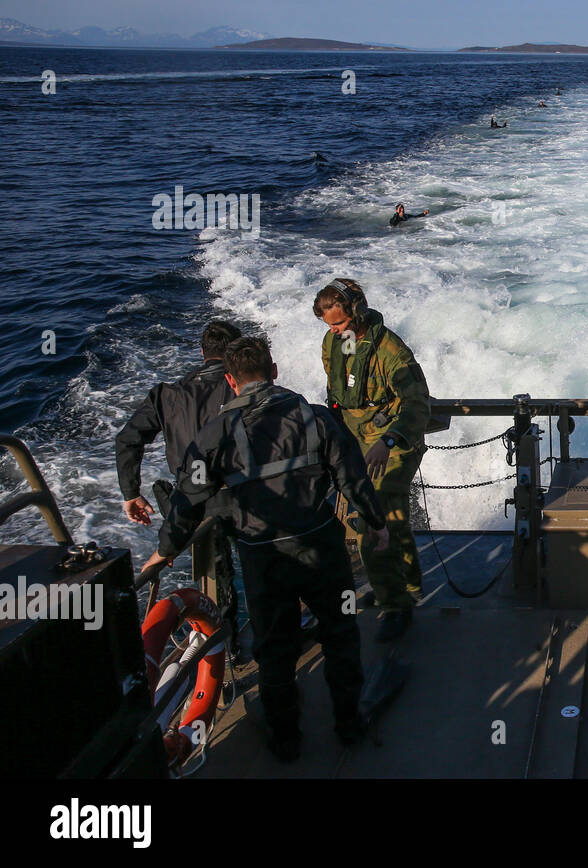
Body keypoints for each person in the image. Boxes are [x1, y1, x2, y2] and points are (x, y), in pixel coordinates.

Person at [148, 337, 388, 762]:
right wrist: (375, 525)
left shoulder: (214, 434)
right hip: (323, 551)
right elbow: (353, 477)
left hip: (263, 559)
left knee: (274, 650)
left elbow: (188, 497)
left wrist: (166, 549)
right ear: (274, 370)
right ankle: (349, 724)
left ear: (230, 380)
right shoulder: (317, 419)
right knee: (341, 634)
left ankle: (285, 740)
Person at [116, 320, 243, 657]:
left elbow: (128, 439)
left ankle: (225, 655)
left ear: (202, 354)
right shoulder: (242, 389)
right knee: (262, 565)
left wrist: (131, 492)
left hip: (193, 506)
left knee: (215, 578)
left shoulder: (167, 395)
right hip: (245, 496)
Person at [313, 278, 430, 642]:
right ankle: (407, 585)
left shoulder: (392, 352)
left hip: (394, 441)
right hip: (355, 439)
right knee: (392, 517)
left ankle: (395, 605)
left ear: (358, 312)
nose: (335, 331)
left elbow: (417, 405)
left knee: (373, 517)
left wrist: (389, 439)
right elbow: (338, 393)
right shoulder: (333, 343)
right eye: (330, 325)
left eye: (340, 323)